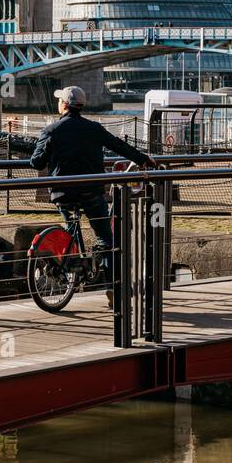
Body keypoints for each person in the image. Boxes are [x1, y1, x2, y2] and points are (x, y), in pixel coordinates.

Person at [29, 85, 155, 301]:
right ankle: (113, 288)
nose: (58, 103)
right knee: (106, 239)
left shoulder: (50, 131)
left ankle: (73, 269)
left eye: (60, 100)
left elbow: (36, 162)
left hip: (62, 194)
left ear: (65, 105)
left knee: (71, 232)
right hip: (91, 193)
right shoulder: (94, 129)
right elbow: (119, 146)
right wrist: (143, 159)